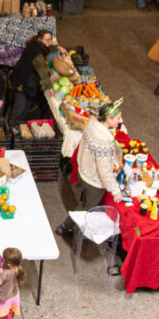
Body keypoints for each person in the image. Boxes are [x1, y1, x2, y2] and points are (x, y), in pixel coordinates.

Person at [55, 101, 125, 239]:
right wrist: (115, 191)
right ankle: (65, 226)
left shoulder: (92, 123)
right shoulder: (103, 140)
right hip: (93, 181)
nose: (120, 121)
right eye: (117, 118)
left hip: (84, 171)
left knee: (85, 199)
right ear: (108, 119)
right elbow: (104, 171)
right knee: (87, 207)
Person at [9, 30, 54, 123]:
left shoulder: (33, 44)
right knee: (21, 106)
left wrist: (59, 47)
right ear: (40, 39)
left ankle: (18, 122)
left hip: (19, 76)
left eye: (50, 39)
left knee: (23, 104)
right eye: (47, 40)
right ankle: (13, 124)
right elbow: (43, 73)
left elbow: (51, 45)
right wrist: (49, 88)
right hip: (24, 83)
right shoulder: (38, 56)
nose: (49, 42)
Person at [0, 248, 25, 319]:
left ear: (8, 264)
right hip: (14, 295)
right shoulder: (19, 268)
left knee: (1, 314)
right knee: (10, 312)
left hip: (4, 297)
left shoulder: (6, 272)